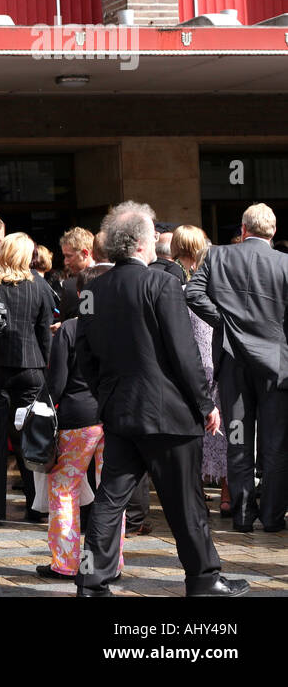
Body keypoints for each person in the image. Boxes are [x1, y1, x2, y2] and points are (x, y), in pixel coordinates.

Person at [77, 201, 247, 597]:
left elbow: (83, 353)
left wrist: (106, 394)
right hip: (169, 415)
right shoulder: (163, 283)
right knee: (186, 503)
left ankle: (91, 580)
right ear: (139, 242)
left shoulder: (94, 288)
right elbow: (183, 351)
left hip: (122, 411)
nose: (157, 239)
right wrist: (206, 404)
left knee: (109, 499)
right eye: (153, 232)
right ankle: (204, 580)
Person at [186, 202, 288, 533]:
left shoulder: (217, 255)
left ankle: (243, 515)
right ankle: (272, 516)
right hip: (276, 364)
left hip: (234, 361)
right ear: (273, 231)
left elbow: (192, 293)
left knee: (238, 440)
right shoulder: (285, 263)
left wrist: (225, 324)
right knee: (275, 445)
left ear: (244, 230)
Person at [39, 266, 124, 581]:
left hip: (77, 418)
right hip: (115, 418)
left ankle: (65, 563)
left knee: (64, 488)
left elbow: (56, 382)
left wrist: (40, 405)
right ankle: (110, 563)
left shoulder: (70, 329)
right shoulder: (124, 326)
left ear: (80, 293)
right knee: (113, 493)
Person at [0, 232, 53, 523]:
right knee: (30, 438)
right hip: (31, 368)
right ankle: (37, 506)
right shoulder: (40, 286)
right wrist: (47, 369)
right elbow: (44, 333)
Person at [172, 224, 228, 515]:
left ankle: (199, 492)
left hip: (193, 364)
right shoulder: (219, 274)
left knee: (196, 431)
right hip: (218, 359)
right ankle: (228, 495)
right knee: (223, 430)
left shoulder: (183, 285)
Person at [56, 227, 95, 322]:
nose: (66, 262)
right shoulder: (110, 275)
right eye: (64, 256)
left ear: (85, 253)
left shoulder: (71, 286)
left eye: (69, 256)